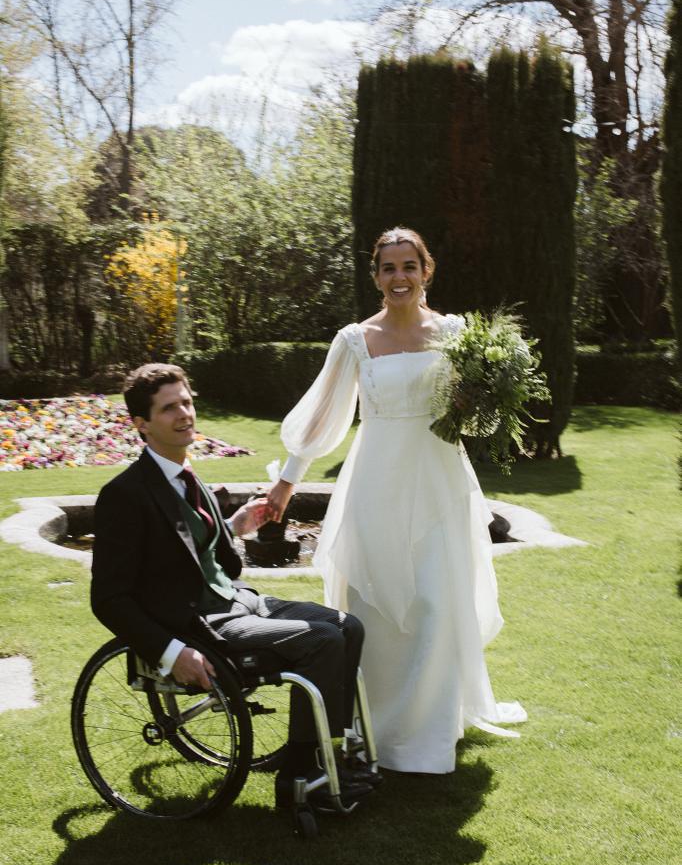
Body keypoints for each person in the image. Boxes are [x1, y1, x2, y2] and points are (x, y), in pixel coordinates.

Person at [267, 227, 526, 774]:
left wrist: (478, 397)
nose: (399, 277)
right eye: (388, 268)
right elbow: (322, 417)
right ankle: (372, 724)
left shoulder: (457, 332)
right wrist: (287, 481)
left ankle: (428, 735)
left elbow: (479, 421)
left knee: (434, 602)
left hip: (437, 478)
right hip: (377, 480)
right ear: (376, 275)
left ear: (426, 271)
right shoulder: (354, 340)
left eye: (409, 266)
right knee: (376, 606)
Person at [90, 362, 381, 810]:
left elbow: (189, 548)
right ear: (141, 425)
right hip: (198, 624)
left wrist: (233, 525)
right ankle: (300, 778)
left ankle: (332, 753)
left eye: (187, 402)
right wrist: (171, 652)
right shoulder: (124, 495)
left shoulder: (189, 478)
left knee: (349, 625)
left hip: (238, 603)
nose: (185, 413)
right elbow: (109, 598)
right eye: (170, 408)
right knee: (322, 640)